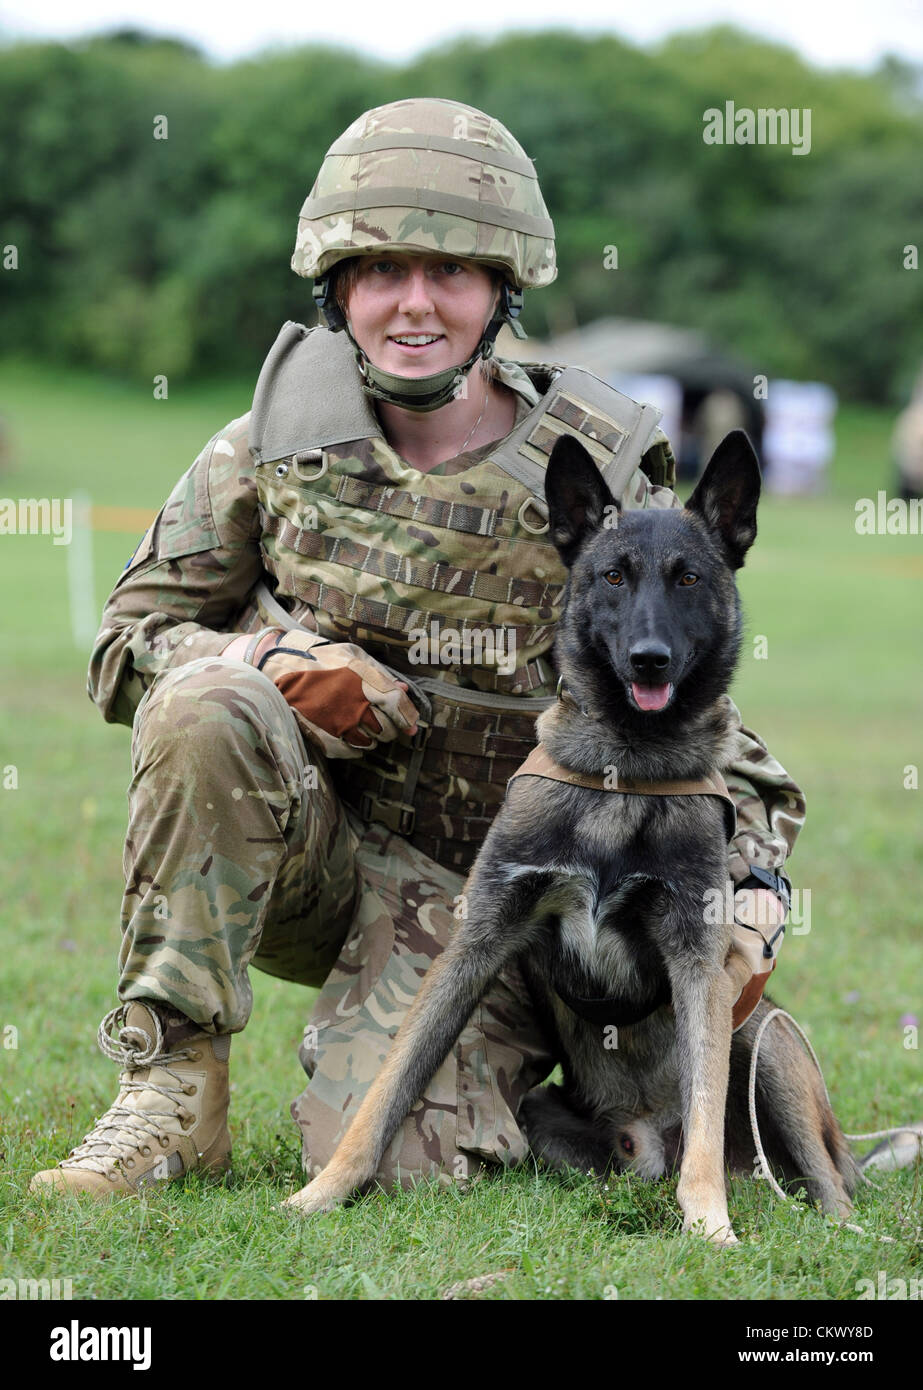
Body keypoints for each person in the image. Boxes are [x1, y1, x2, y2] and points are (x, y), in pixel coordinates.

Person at [31, 97, 800, 1200]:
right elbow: (125, 645)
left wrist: (757, 871)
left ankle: (574, 1091)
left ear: (499, 293)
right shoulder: (267, 448)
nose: (413, 303)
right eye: (380, 269)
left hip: (531, 888)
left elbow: (692, 703)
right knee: (206, 703)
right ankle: (168, 1095)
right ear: (336, 288)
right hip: (333, 864)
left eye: (449, 270)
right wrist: (272, 659)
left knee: (397, 1168)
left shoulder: (599, 473)